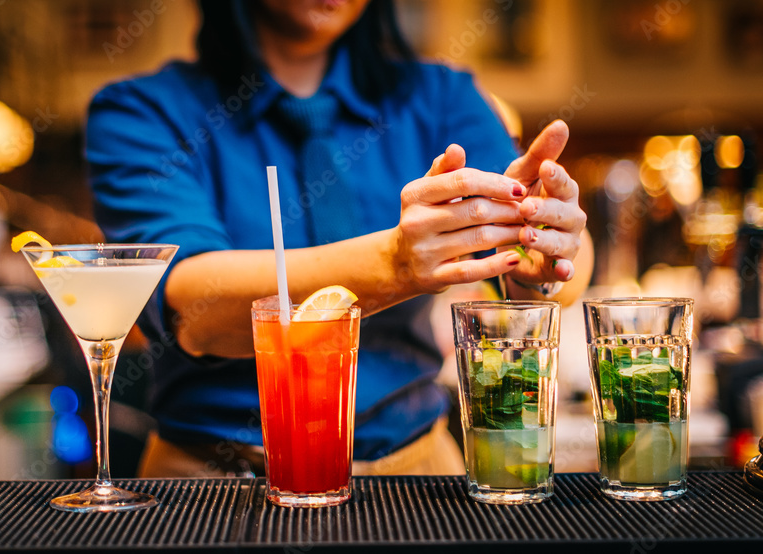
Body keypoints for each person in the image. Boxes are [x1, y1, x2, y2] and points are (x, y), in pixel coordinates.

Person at [86, 0, 594, 477]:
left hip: (417, 472)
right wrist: (395, 263)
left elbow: (560, 264)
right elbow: (192, 308)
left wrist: (548, 248)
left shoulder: (440, 97)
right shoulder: (141, 111)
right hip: (213, 482)